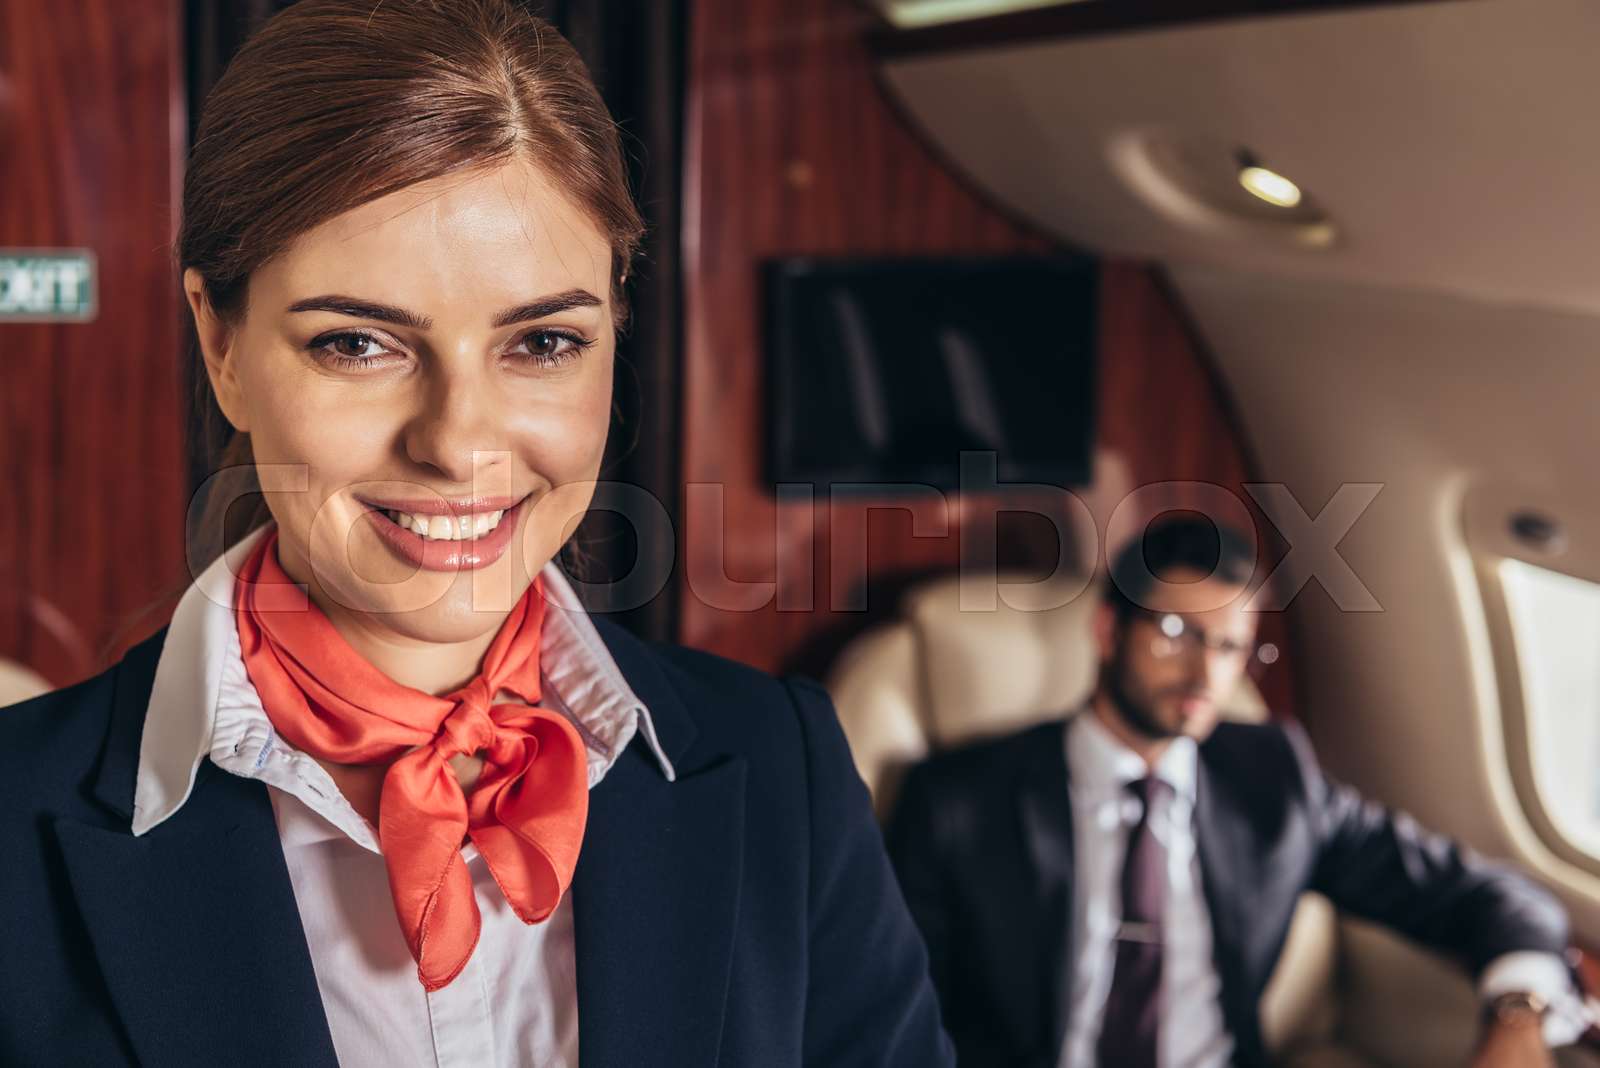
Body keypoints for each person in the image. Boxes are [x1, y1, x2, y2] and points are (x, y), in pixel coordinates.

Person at [0, 3, 952, 1066]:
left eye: (542, 341)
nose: (458, 443)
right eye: (356, 343)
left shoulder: (786, 771)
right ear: (221, 345)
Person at [886, 515, 1584, 1068]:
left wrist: (1519, 1011)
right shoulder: (960, 801)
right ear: (1106, 631)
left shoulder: (1272, 780)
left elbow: (1488, 894)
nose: (1204, 672)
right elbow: (898, 1012)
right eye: (1175, 633)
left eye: (1228, 646)